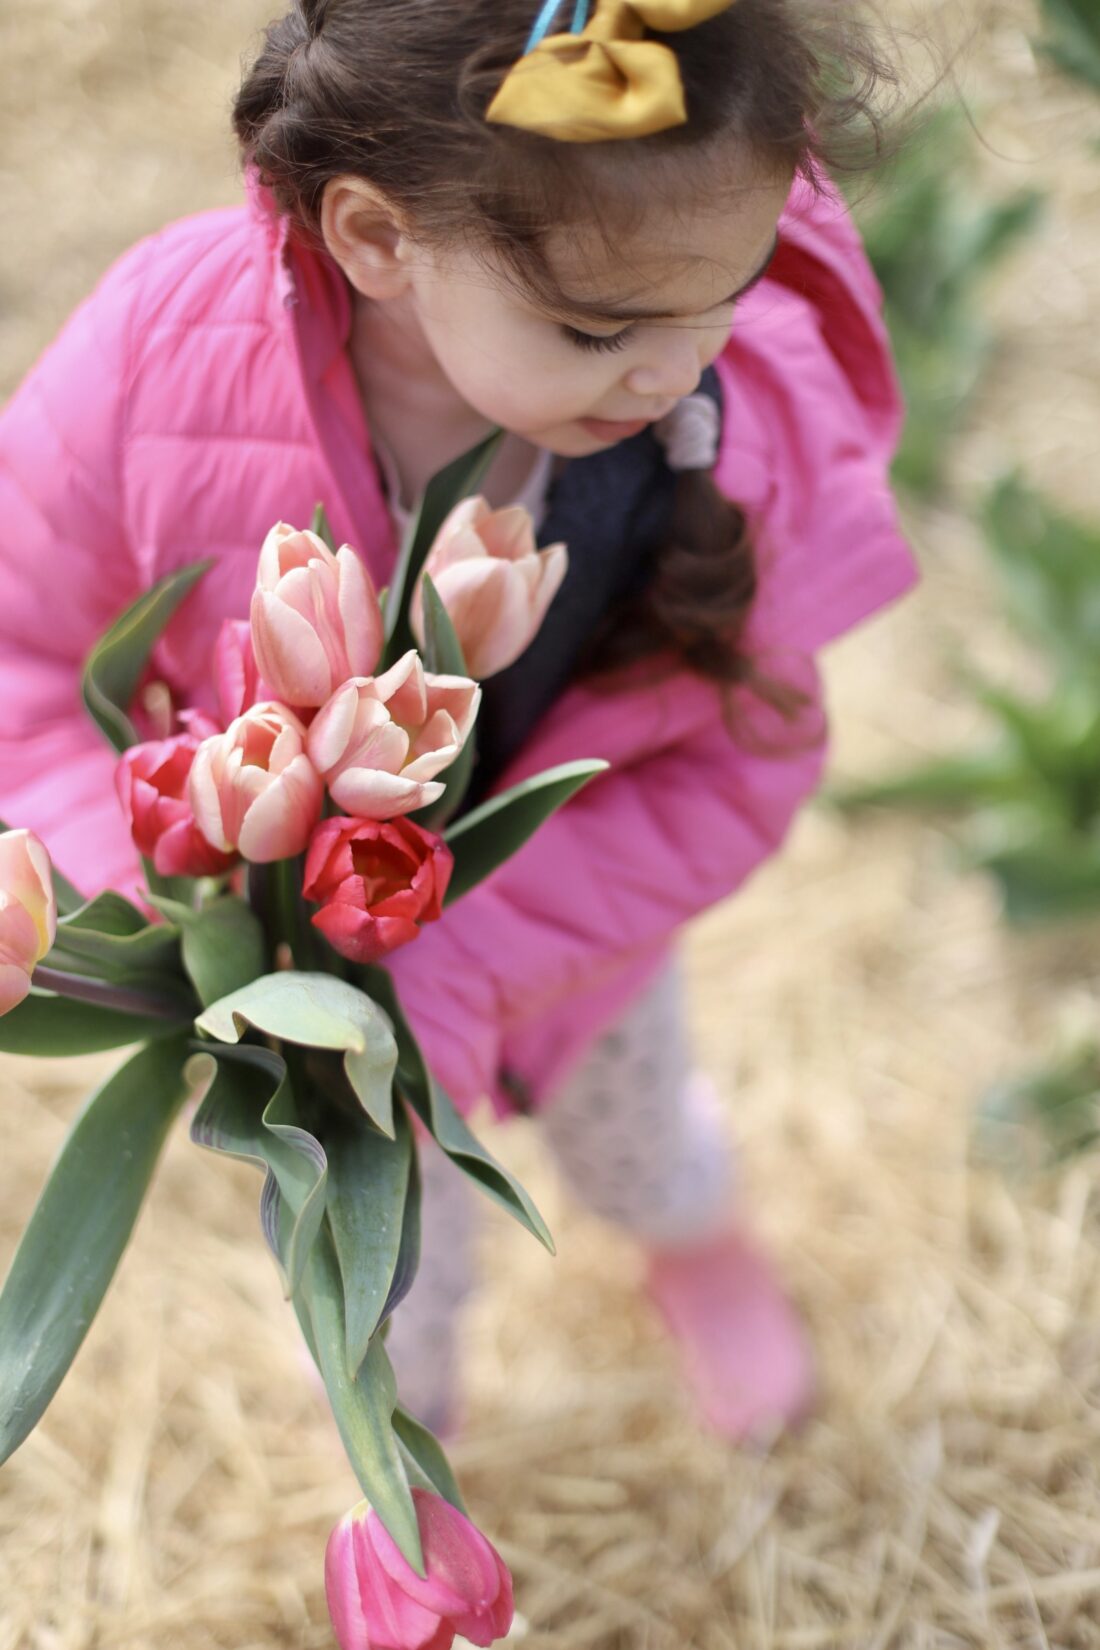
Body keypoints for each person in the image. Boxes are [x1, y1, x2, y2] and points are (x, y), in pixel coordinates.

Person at [0, 0, 917, 1443]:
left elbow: (740, 760)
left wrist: (470, 968)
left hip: (573, 946)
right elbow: (24, 656)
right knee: (373, 1268)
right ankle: (408, 1455)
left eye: (727, 293)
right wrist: (170, 922)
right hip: (307, 1000)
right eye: (600, 326)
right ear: (378, 237)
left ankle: (694, 1241)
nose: (678, 371)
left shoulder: (727, 427)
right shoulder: (160, 360)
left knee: (640, 1131)